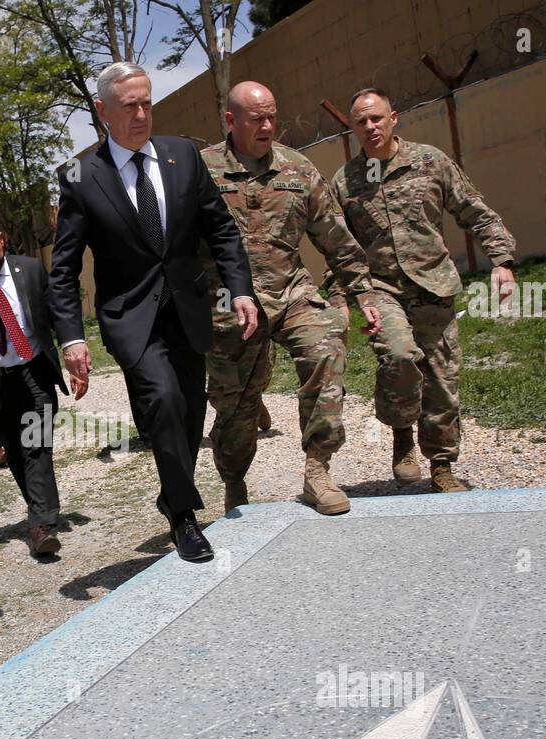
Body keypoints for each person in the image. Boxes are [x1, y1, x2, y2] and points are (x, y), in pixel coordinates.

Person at [49, 62, 258, 561]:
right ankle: (184, 518)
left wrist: (241, 289)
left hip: (187, 308)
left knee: (189, 408)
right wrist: (73, 338)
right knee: (161, 399)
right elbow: (63, 267)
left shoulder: (182, 155)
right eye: (130, 106)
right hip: (129, 314)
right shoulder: (80, 176)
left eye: (147, 103)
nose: (142, 114)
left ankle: (172, 492)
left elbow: (222, 230)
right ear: (102, 111)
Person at [200, 80, 389, 515]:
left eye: (272, 116)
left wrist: (362, 292)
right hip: (229, 304)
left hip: (290, 292)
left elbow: (335, 237)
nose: (268, 125)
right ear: (231, 120)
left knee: (325, 345)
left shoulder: (298, 169)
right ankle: (234, 483)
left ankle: (318, 471)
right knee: (235, 407)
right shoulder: (201, 171)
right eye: (257, 118)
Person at [331, 87, 516, 492]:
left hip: (434, 283)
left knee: (441, 379)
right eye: (361, 121)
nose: (370, 126)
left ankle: (443, 465)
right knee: (399, 357)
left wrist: (500, 260)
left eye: (377, 118)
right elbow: (337, 245)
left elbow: (472, 209)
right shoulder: (345, 182)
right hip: (381, 289)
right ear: (352, 127)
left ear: (394, 118)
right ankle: (402, 436)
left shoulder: (430, 161)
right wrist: (341, 297)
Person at [0, 214, 68, 558]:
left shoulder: (31, 269)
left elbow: (57, 313)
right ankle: (40, 513)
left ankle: (40, 525)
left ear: (3, 239)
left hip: (34, 370)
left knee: (36, 444)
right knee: (16, 452)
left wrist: (73, 349)